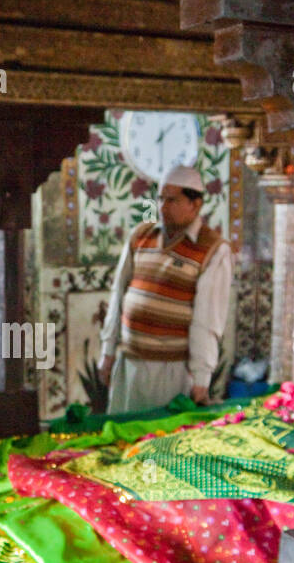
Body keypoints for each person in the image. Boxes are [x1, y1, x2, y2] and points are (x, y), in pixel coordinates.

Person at [97, 164, 234, 414]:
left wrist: (202, 378)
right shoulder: (141, 236)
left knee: (162, 444)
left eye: (172, 200)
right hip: (130, 365)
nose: (162, 206)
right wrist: (107, 352)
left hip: (173, 372)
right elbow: (118, 295)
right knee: (121, 443)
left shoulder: (213, 249)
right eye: (160, 198)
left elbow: (207, 319)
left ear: (195, 204)